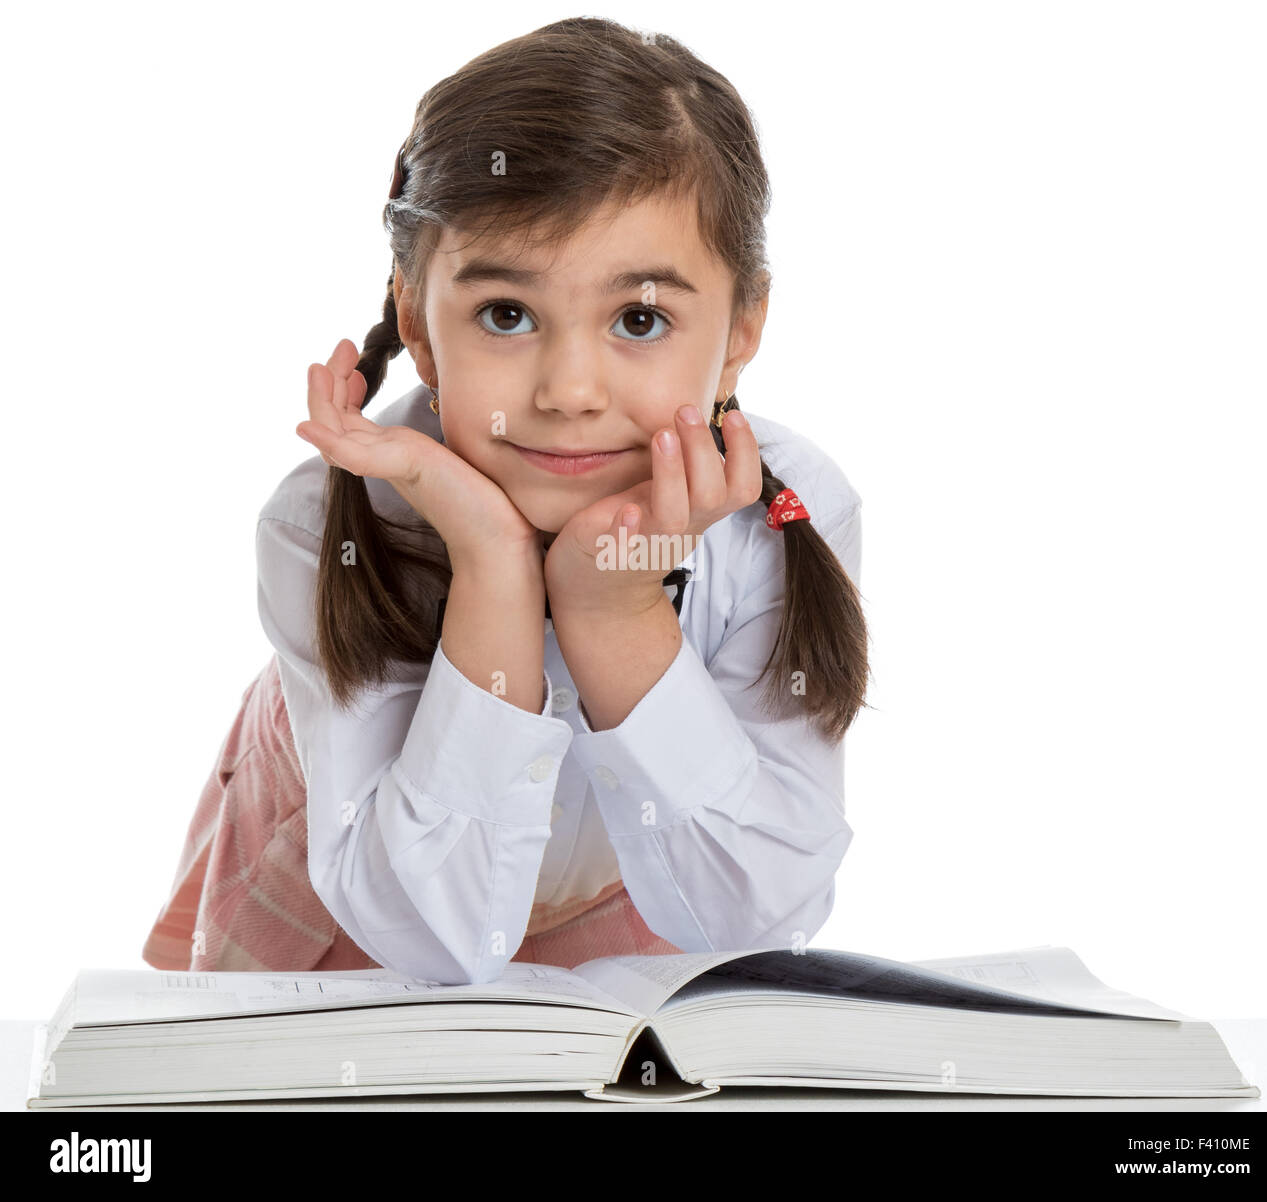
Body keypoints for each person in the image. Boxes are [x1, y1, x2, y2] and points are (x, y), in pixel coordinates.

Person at [143, 16, 869, 985]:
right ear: (417, 320)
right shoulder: (325, 522)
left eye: (639, 317)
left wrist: (614, 605)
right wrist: (491, 565)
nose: (570, 390)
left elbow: (754, 913)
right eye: (506, 314)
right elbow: (426, 935)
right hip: (365, 898)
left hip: (634, 901)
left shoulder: (787, 510)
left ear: (741, 328)